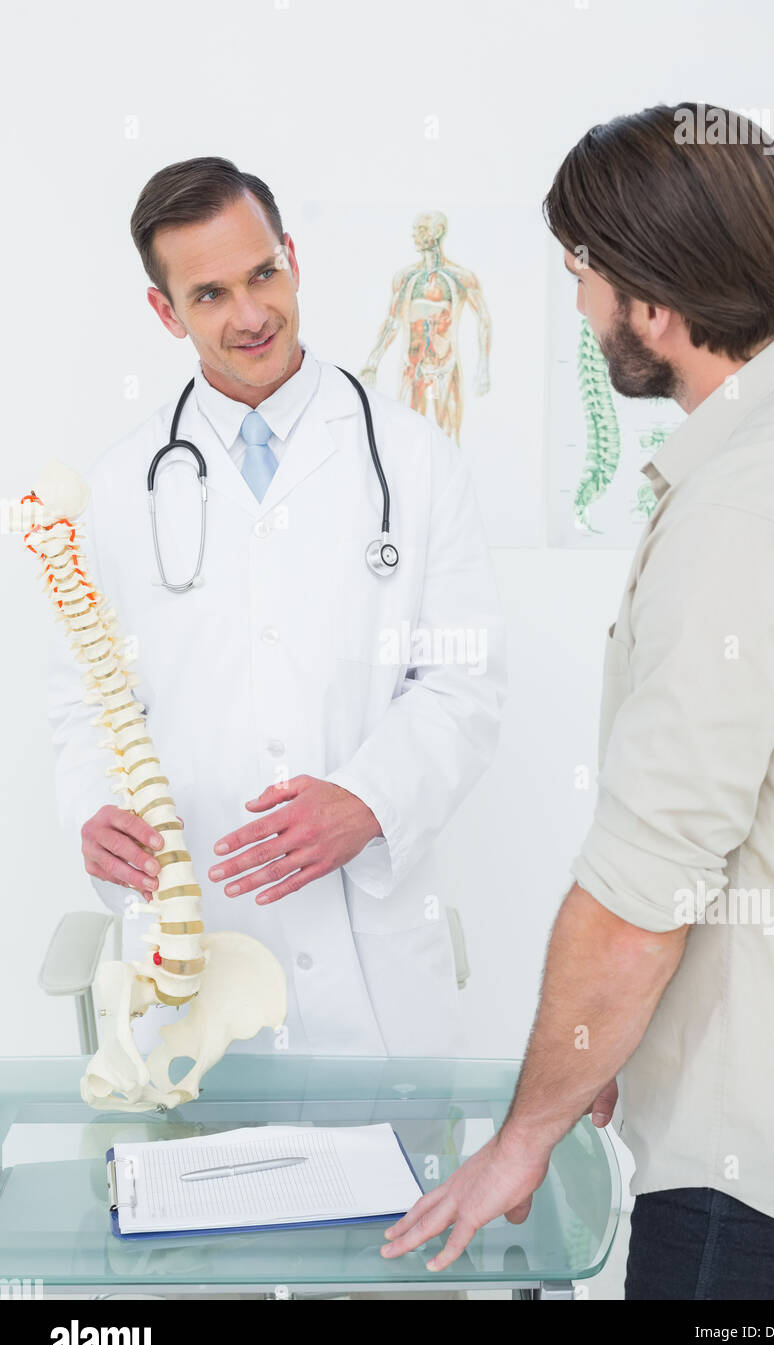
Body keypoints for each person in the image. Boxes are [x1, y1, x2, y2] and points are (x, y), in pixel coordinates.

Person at [380, 102, 774, 1300]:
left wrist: (523, 1135)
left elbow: (643, 889)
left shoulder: (746, 511)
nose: (580, 310)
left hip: (767, 1202)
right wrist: (605, 1041)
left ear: (652, 300)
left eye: (582, 278)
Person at [46, 156, 505, 1059]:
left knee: (391, 1190)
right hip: (195, 942)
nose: (251, 315)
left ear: (292, 256)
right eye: (210, 294)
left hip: (371, 957)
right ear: (165, 311)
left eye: (264, 274)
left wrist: (369, 801)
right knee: (201, 1179)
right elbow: (85, 702)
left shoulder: (412, 462)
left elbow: (463, 683)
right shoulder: (118, 487)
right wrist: (95, 813)